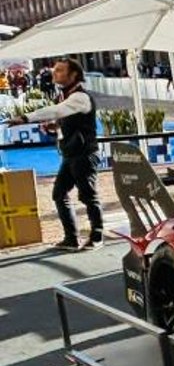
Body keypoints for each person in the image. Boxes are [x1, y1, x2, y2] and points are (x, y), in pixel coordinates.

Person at [8, 59, 103, 251]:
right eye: (55, 70)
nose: (55, 74)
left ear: (74, 74)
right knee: (59, 193)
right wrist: (56, 126)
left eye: (60, 71)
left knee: (88, 195)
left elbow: (57, 111)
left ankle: (97, 236)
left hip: (84, 154)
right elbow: (66, 118)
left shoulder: (80, 97)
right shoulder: (65, 96)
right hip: (71, 153)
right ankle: (71, 238)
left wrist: (26, 117)